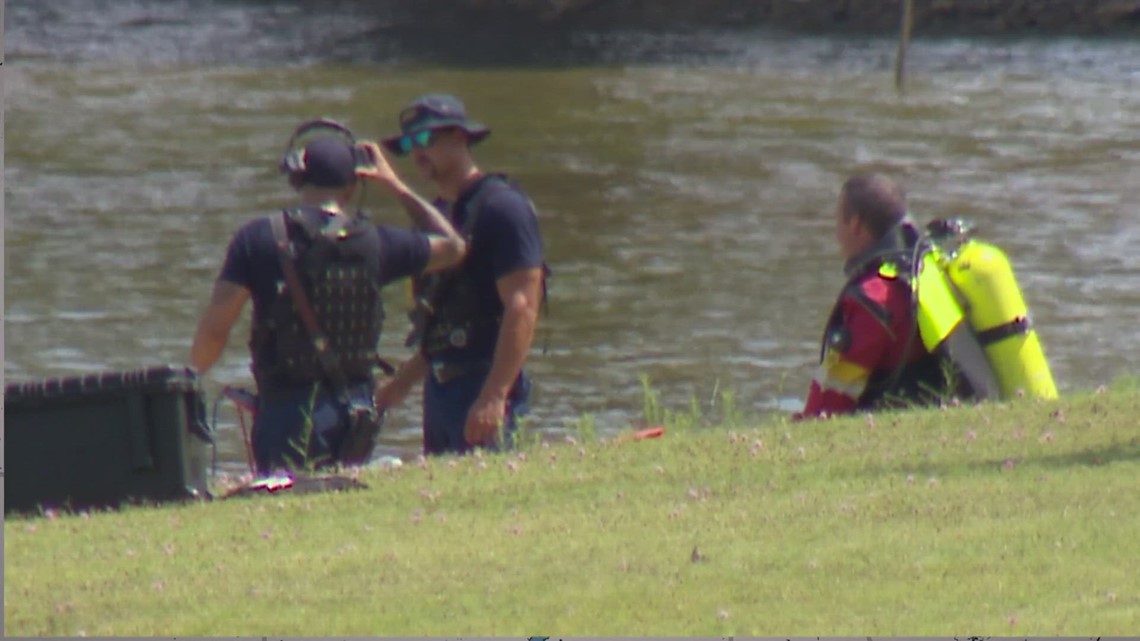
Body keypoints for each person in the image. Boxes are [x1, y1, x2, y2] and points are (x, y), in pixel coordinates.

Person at [190, 119, 466, 475]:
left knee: (284, 508)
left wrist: (190, 379)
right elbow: (455, 248)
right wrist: (396, 186)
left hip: (284, 409)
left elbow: (215, 330)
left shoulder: (257, 238)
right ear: (354, 185)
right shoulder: (377, 242)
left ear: (296, 178)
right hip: (355, 413)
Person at [374, 94, 547, 455]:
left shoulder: (502, 207)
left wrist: (494, 395)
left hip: (484, 379)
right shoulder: (437, 215)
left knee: (492, 501)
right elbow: (443, 323)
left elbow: (523, 306)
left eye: (426, 139)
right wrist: (399, 386)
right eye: (408, 144)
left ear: (460, 138)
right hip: (440, 391)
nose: (417, 152)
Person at [797, 173, 990, 419]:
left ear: (855, 224)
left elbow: (831, 401)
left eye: (838, 221)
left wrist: (804, 424)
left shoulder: (874, 297)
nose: (837, 233)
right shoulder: (926, 270)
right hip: (956, 408)